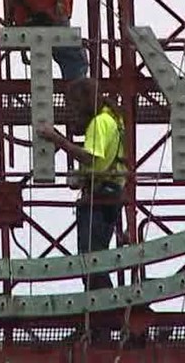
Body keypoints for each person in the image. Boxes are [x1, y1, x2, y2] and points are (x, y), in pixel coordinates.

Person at [37, 78, 127, 291]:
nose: (73, 110)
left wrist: (58, 140)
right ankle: (102, 306)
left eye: (75, 104)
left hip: (100, 197)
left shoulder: (100, 122)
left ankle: (102, 308)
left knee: (91, 260)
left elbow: (90, 157)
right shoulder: (112, 118)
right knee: (96, 257)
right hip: (110, 193)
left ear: (86, 101)